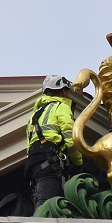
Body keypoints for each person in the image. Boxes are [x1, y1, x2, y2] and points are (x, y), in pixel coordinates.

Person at [25, 75, 82, 211]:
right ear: (62, 91)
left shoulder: (34, 116)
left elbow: (29, 145)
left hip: (34, 163)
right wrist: (78, 162)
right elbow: (70, 137)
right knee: (46, 206)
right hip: (49, 161)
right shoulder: (61, 107)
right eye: (66, 91)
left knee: (43, 199)